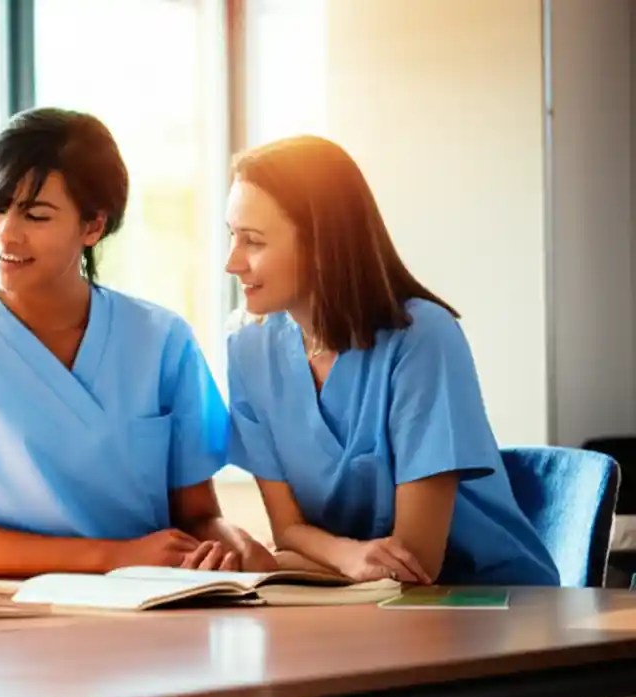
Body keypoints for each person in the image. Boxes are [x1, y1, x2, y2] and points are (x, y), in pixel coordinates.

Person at [0, 107, 274, 578]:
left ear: (93, 226)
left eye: (36, 214)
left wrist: (233, 544)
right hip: (17, 615)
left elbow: (197, 516)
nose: (6, 233)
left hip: (158, 603)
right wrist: (115, 558)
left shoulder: (160, 339)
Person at [223, 134, 559, 586]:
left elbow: (414, 561)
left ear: (322, 244)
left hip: (485, 603)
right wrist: (344, 555)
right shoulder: (249, 349)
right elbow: (288, 531)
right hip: (359, 602)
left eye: (253, 241)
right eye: (232, 236)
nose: (232, 262)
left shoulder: (422, 339)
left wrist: (288, 561)